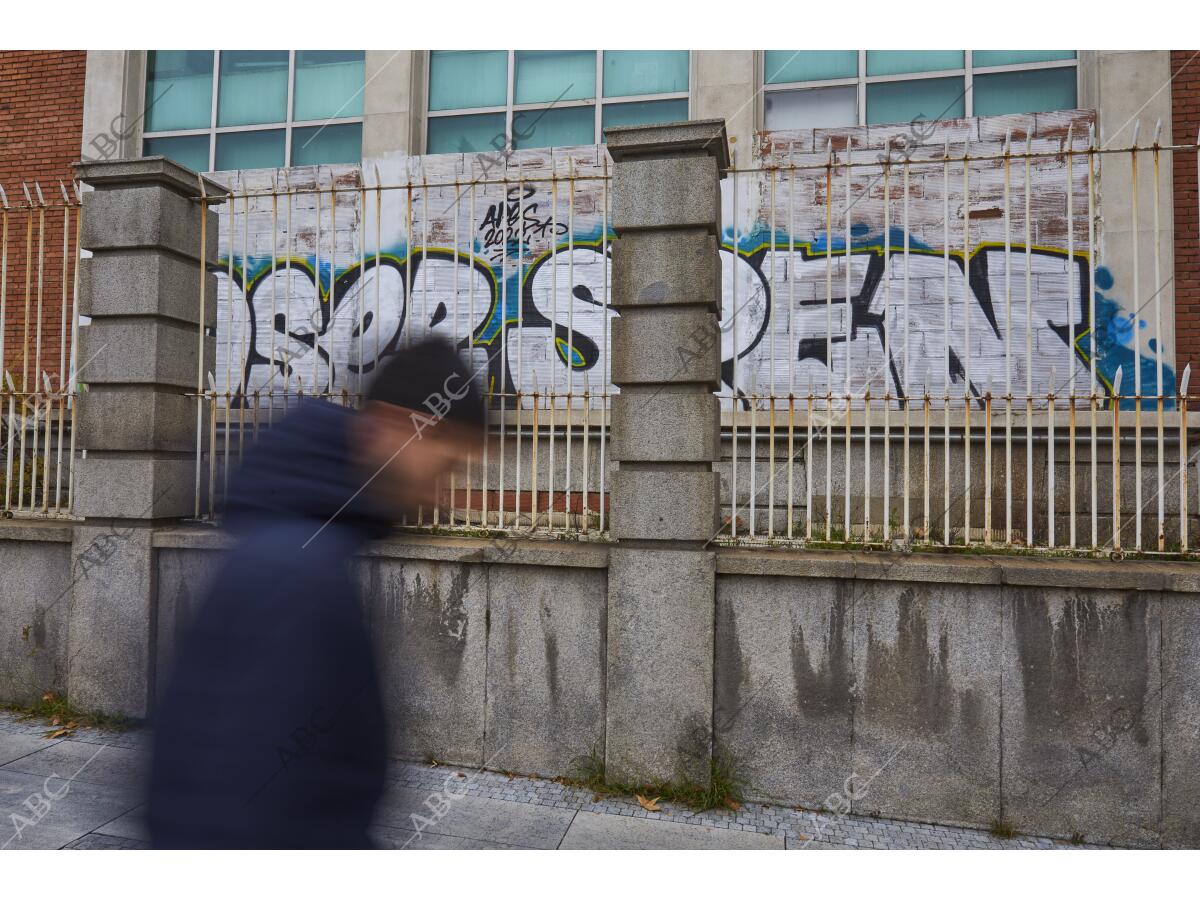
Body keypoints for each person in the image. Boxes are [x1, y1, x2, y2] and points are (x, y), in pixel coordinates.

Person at [147, 338, 485, 849]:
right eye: (443, 467)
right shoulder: (298, 567)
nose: (440, 496)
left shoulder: (310, 538)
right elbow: (252, 807)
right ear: (399, 426)